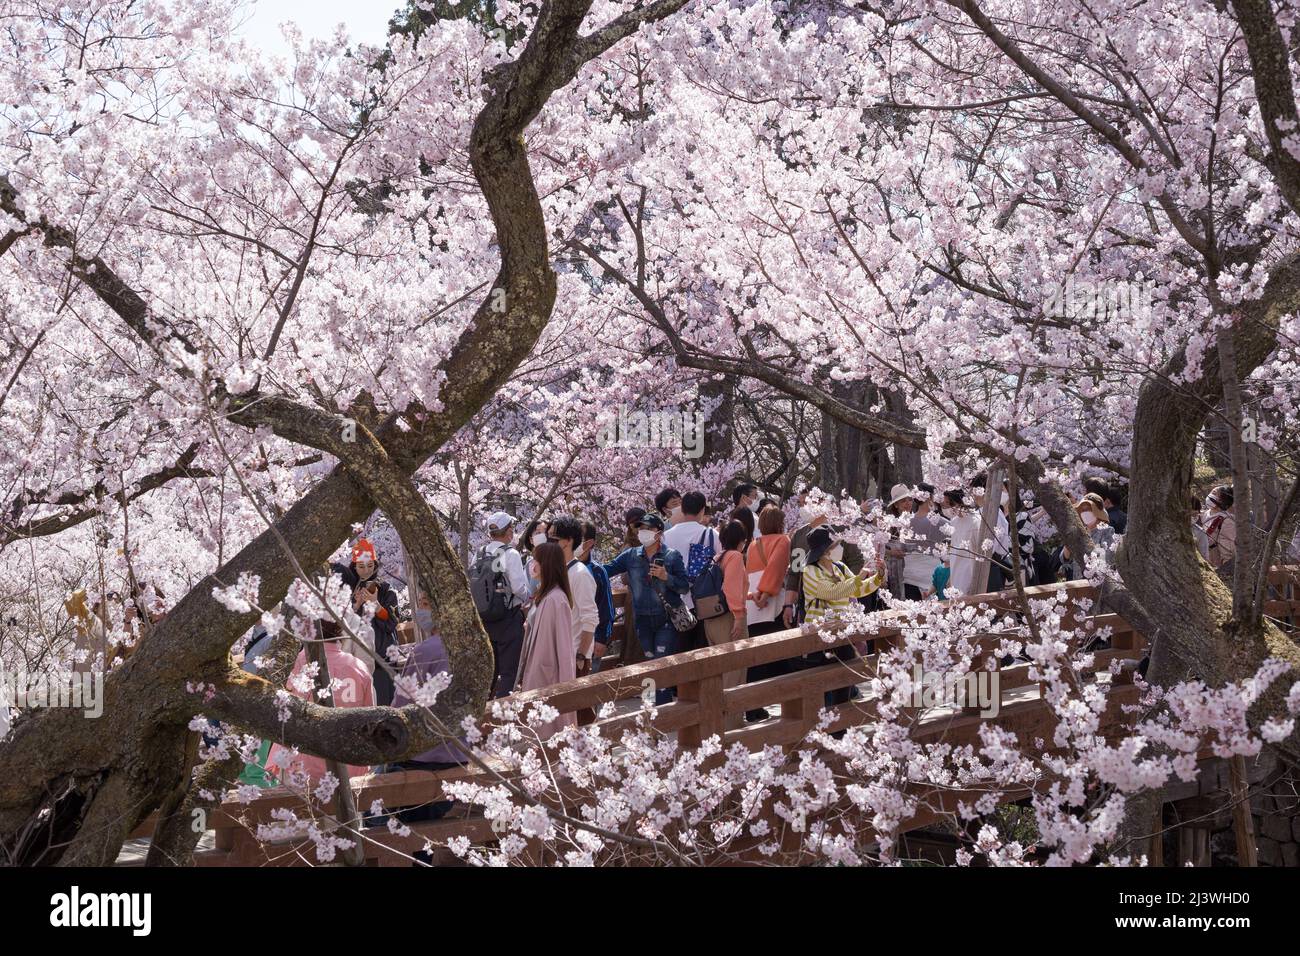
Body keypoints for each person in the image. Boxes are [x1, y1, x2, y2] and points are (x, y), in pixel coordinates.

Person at [377, 594, 469, 824]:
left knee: (413, 827)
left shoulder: (425, 650)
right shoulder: (467, 647)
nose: (419, 610)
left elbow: (401, 705)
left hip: (423, 755)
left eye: (426, 604)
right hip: (457, 752)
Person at [265, 619, 375, 786]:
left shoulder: (295, 664)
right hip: (347, 761)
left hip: (300, 760)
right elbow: (369, 719)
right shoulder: (358, 668)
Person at [602, 513, 689, 704]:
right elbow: (607, 569)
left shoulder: (671, 556)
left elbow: (684, 586)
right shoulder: (631, 556)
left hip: (666, 618)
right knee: (649, 663)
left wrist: (667, 577)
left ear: (658, 532)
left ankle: (662, 708)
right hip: (642, 620)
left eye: (647, 529)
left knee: (661, 661)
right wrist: (582, 566)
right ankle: (651, 709)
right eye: (640, 528)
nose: (642, 532)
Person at [798, 526, 885, 707]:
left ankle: (841, 730)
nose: (839, 547)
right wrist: (859, 577)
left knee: (842, 688)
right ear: (825, 551)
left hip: (842, 632)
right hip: (819, 636)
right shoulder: (810, 572)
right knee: (820, 693)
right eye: (835, 545)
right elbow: (830, 592)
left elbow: (859, 589)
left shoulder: (840, 567)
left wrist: (878, 576)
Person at [515, 543, 577, 739]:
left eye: (536, 560)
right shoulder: (545, 595)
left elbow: (565, 649)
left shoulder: (556, 600)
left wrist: (566, 691)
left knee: (547, 736)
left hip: (547, 676)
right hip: (537, 672)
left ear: (546, 565)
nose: (532, 564)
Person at [331, 538, 400, 705]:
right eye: (361, 567)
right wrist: (356, 605)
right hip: (355, 658)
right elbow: (339, 621)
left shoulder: (386, 589)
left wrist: (376, 606)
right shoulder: (347, 588)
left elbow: (392, 622)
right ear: (354, 567)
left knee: (385, 701)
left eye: (370, 566)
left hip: (382, 658)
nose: (366, 570)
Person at [744, 505, 792, 721]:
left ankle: (752, 706)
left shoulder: (753, 544)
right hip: (771, 603)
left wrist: (756, 594)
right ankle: (788, 702)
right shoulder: (783, 540)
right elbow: (776, 566)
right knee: (782, 652)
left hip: (753, 603)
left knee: (756, 657)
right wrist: (766, 592)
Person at [701, 520, 749, 729]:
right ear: (742, 540)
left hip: (711, 619)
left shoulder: (716, 557)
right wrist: (739, 616)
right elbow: (730, 588)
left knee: (720, 671)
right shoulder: (735, 557)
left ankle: (716, 721)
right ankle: (731, 723)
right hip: (729, 618)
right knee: (734, 670)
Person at [480, 511, 531, 697]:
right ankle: (502, 718)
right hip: (508, 618)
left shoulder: (479, 554)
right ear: (508, 531)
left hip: (485, 619)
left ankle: (482, 714)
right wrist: (528, 597)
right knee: (509, 672)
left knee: (489, 672)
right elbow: (519, 588)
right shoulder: (510, 554)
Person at [663, 490, 719, 651]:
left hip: (674, 605)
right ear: (702, 510)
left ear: (682, 508)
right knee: (704, 651)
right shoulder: (711, 534)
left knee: (679, 653)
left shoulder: (666, 537)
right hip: (704, 603)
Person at [548, 515, 599, 677]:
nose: (549, 542)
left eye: (554, 538)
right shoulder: (557, 570)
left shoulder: (580, 574)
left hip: (573, 657)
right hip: (554, 656)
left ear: (568, 541)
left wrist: (581, 655)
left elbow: (590, 619)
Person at [579, 522, 616, 670]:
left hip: (591, 639)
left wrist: (602, 639)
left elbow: (606, 607)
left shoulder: (597, 571)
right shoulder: (561, 566)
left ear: (589, 543)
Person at [1056, 493, 1117, 581]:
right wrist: (1069, 541)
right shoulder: (1079, 532)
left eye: (1088, 510)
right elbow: (1064, 559)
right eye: (1082, 510)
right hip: (1078, 582)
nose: (1085, 513)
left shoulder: (1107, 531)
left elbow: (1108, 559)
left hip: (1099, 582)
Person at [941, 489, 982, 596]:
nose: (947, 508)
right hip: (956, 573)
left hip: (971, 573)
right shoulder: (954, 522)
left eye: (948, 504)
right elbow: (954, 551)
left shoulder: (976, 521)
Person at [1202, 485, 1236, 573]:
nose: (1210, 495)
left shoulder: (1227, 521)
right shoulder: (1204, 514)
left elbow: (1229, 552)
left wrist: (1223, 571)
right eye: (1211, 492)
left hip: (1213, 567)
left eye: (1214, 493)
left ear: (1222, 500)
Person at [520, 519, 549, 594]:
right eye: (538, 532)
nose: (543, 535)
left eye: (546, 532)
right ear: (531, 539)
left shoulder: (556, 561)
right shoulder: (529, 564)